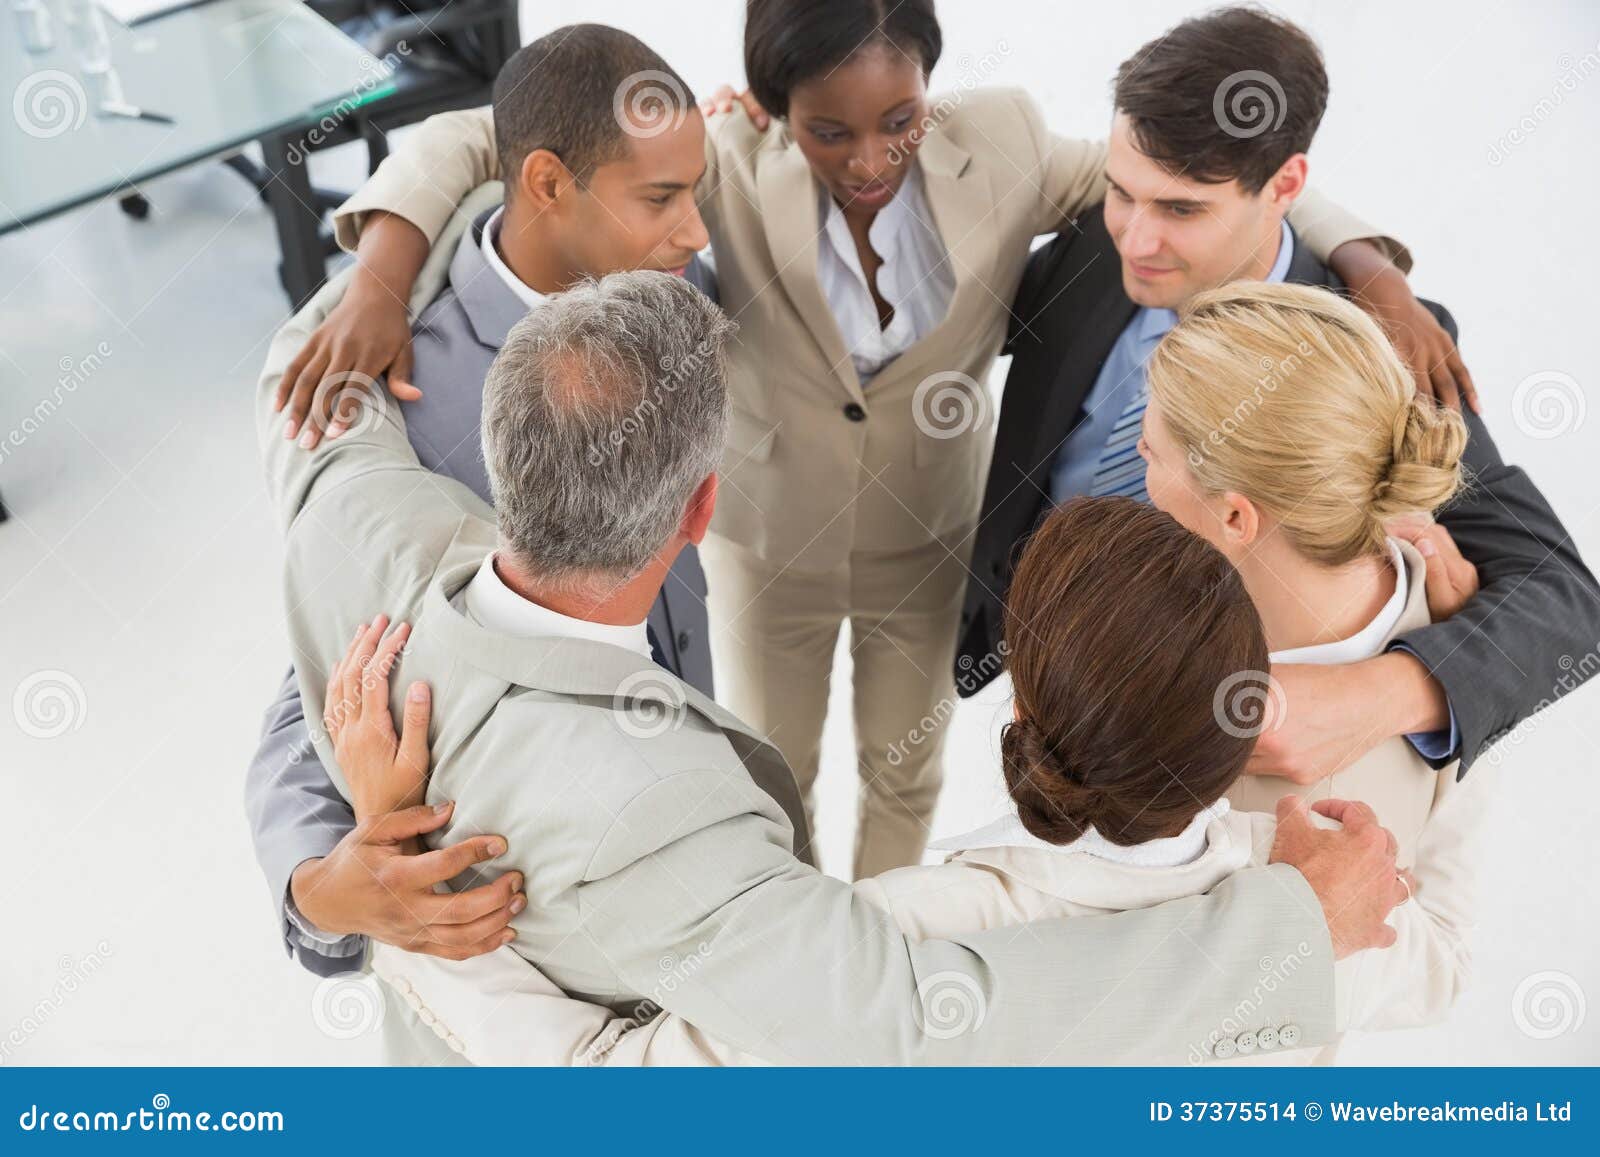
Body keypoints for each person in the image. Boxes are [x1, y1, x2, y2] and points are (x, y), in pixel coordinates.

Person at [275, 0, 1456, 880]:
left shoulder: (997, 150)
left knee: (905, 772)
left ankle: (885, 923)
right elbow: (494, 134)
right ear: (774, 111)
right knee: (760, 768)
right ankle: (780, 917)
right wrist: (383, 260)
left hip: (927, 548)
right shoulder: (718, 162)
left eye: (898, 120)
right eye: (828, 130)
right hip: (758, 544)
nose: (870, 160)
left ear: (932, 96)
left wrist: (1365, 266)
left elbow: (1205, 183)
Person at [256, 268, 1405, 1065]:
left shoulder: (356, 523)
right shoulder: (663, 816)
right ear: (704, 504)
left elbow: (301, 381)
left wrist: (382, 265)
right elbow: (913, 1023)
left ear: (502, 442)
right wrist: (1295, 925)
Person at [325, 491, 1483, 1065]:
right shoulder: (1336, 917)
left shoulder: (911, 928)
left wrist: (401, 871)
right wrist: (1434, 654)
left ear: (1019, 700)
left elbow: (611, 1083)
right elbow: (1437, 945)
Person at [959, 6, 1600, 786]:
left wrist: (1387, 692)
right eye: (1123, 194)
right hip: (1021, 651)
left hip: (1203, 734)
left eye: (1183, 209)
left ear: (1286, 184)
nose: (1136, 238)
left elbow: (1564, 598)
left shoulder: (1375, 349)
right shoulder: (1096, 243)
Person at [244, 26, 719, 977]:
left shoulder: (670, 282)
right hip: (526, 875)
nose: (698, 228)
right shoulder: (398, 390)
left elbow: (478, 127)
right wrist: (313, 890)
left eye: (694, 191)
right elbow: (326, 676)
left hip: (681, 757)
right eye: (663, 197)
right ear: (545, 184)